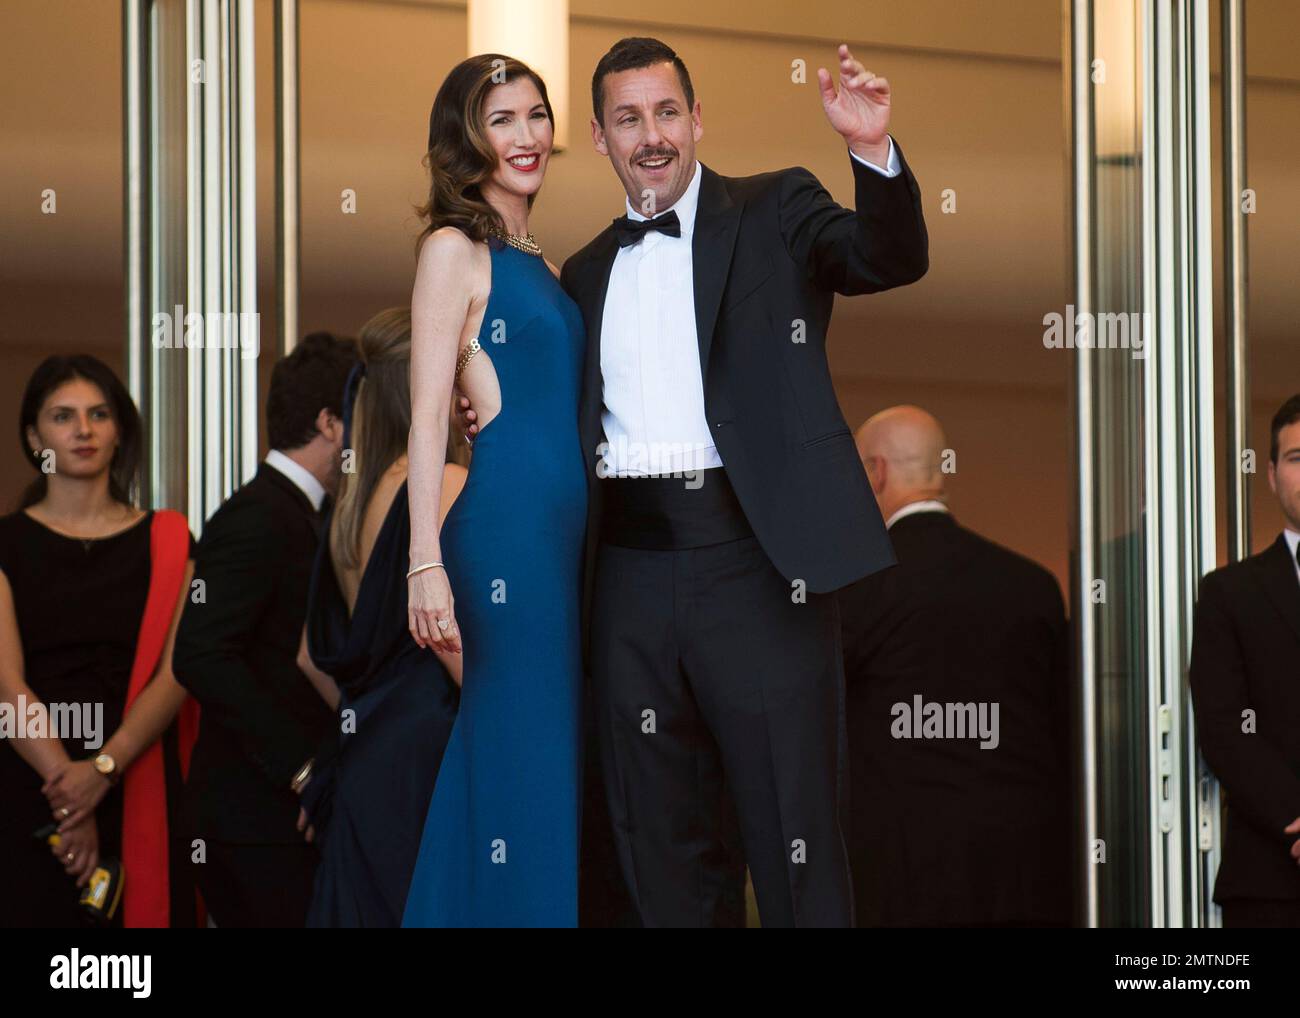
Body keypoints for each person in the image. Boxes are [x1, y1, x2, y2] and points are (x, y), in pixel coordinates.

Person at [555, 36, 925, 928]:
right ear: (601, 138)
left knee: (793, 838)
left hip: (758, 568)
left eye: (667, 112)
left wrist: (871, 152)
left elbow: (886, 258)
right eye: (628, 118)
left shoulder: (775, 207)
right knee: (658, 849)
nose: (652, 135)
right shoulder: (583, 273)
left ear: (696, 120)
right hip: (629, 582)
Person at [401, 53, 588, 927]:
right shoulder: (455, 247)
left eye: (536, 115)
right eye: (502, 119)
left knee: (524, 765)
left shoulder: (537, 259)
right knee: (523, 760)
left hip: (558, 543)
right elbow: (428, 419)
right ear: (466, 139)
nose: (526, 136)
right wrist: (423, 562)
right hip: (504, 538)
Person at [838, 406, 1073, 926]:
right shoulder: (1031, 584)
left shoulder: (857, 587)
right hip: (1021, 855)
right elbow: (1062, 726)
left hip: (900, 862)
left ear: (874, 472)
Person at [0, 354, 199, 928]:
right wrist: (70, 794)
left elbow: (177, 671)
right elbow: (7, 685)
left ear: (120, 430)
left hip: (138, 772)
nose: (83, 431)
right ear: (35, 435)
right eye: (63, 417)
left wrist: (104, 769)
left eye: (99, 414)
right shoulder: (6, 542)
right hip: (29, 779)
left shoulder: (168, 537)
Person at [172, 332, 357, 928]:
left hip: (271, 816)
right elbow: (199, 654)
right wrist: (301, 768)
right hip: (255, 817)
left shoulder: (296, 511)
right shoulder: (258, 516)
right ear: (331, 422)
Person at [299, 307, 465, 927]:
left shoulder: (352, 500)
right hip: (428, 748)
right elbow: (456, 649)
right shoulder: (442, 481)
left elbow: (306, 655)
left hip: (366, 754)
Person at [1190, 394, 1300, 927]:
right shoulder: (1229, 594)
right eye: (1298, 458)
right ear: (1272, 474)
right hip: (1271, 880)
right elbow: (1225, 729)